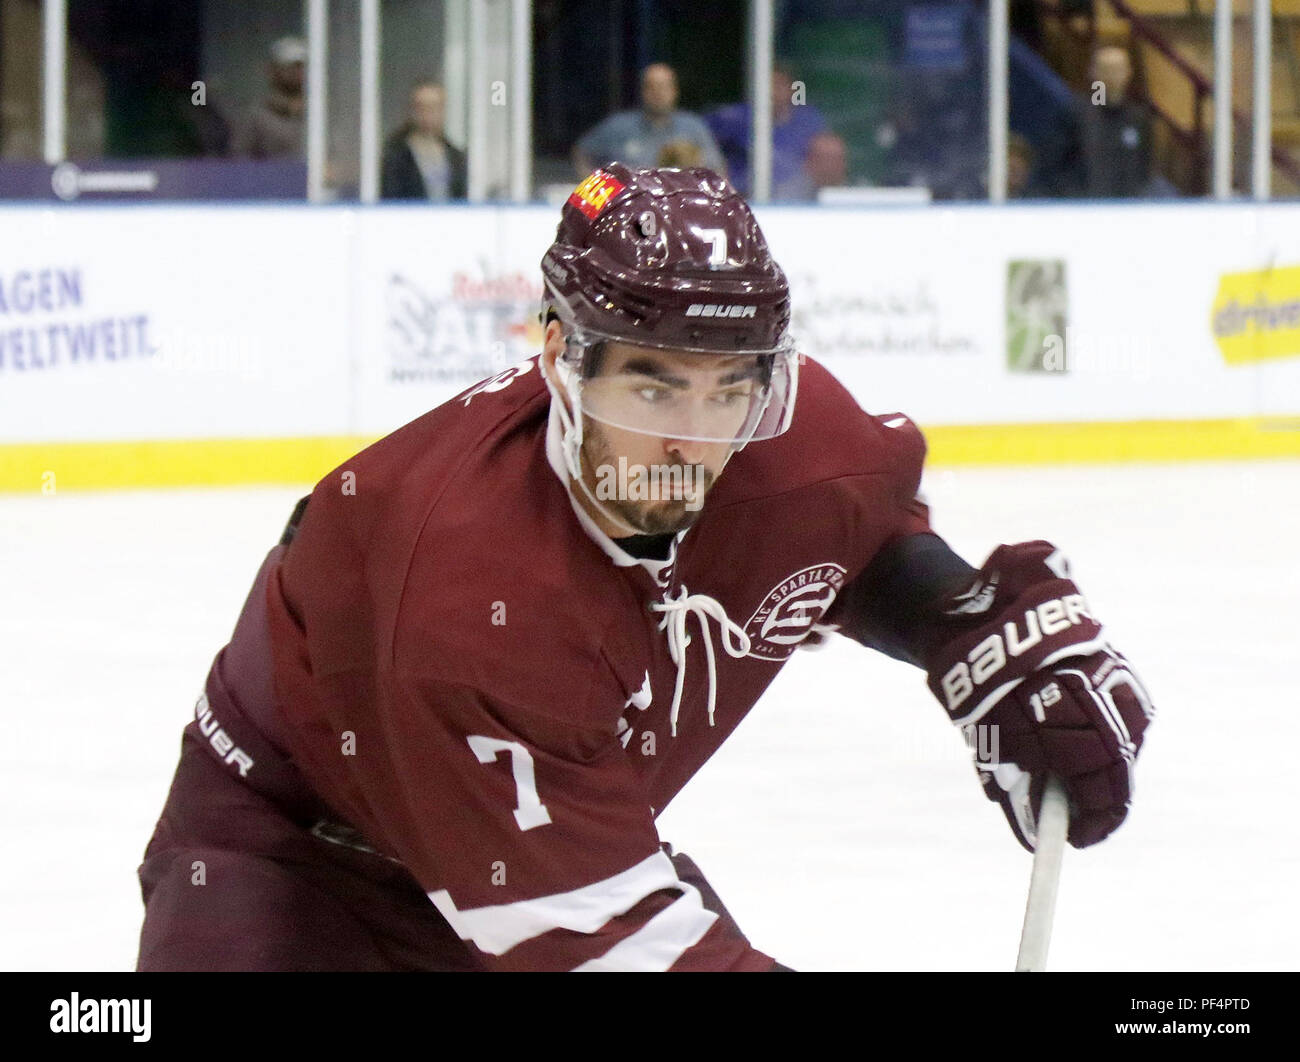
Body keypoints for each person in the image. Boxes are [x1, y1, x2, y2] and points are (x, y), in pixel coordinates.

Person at [134, 164, 1154, 972]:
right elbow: (601, 945)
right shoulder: (466, 596)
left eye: (729, 391)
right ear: (557, 358)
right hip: (299, 865)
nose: (692, 442)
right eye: (653, 389)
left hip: (546, 849)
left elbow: (857, 542)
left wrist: (970, 627)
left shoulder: (795, 443)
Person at [573, 64, 724, 177]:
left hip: (681, 208)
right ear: (642, 91)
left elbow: (718, 169)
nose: (658, 93)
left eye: (663, 87)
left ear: (674, 91)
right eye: (651, 87)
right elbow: (582, 152)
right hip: (628, 209)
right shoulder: (617, 126)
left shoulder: (693, 127)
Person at [706, 64, 828, 197]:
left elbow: (825, 158)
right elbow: (705, 147)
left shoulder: (808, 120)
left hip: (799, 198)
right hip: (745, 196)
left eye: (779, 85)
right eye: (768, 85)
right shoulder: (733, 118)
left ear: (792, 89)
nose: (773, 92)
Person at [1079, 45, 1151, 198]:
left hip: (1126, 206)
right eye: (1105, 69)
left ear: (1128, 73)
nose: (1111, 76)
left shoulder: (1138, 119)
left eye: (1117, 70)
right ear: (1093, 73)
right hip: (1087, 206)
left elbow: (1144, 167)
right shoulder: (1079, 116)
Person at [381, 81, 467, 201]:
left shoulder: (456, 156)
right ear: (411, 111)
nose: (427, 114)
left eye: (434, 107)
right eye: (421, 107)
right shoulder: (395, 156)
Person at [233, 36, 306, 159]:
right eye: (289, 67)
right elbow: (239, 159)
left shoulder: (322, 116)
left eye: (300, 66)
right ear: (273, 70)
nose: (296, 72)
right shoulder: (256, 115)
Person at [773, 130, 848, 201]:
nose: (830, 165)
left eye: (836, 158)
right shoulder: (787, 195)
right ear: (808, 162)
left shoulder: (855, 192)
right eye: (823, 158)